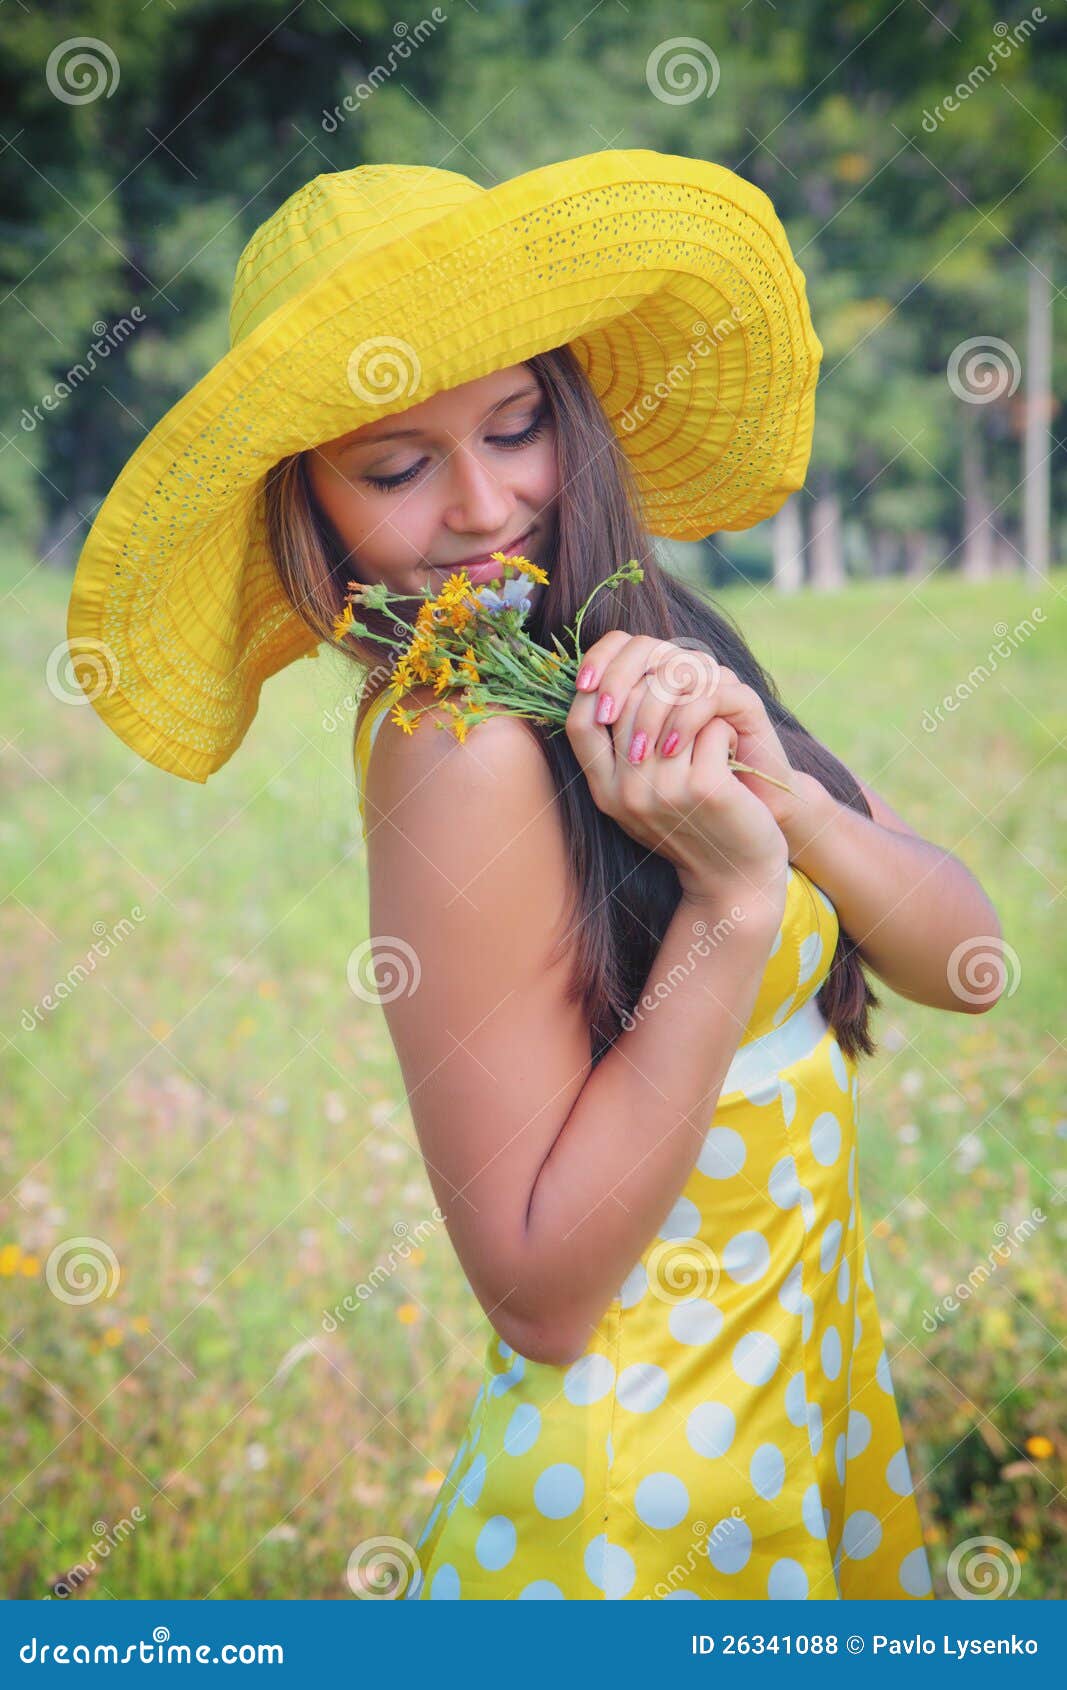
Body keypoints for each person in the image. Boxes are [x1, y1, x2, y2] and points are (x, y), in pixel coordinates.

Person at [67, 150, 1005, 1601]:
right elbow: (541, 1292)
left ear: (570, 406)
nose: (484, 504)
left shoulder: (649, 637)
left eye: (516, 426)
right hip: (636, 1524)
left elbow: (966, 964)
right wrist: (733, 908)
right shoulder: (461, 753)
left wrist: (790, 809)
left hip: (796, 1435)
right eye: (394, 466)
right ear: (306, 508)